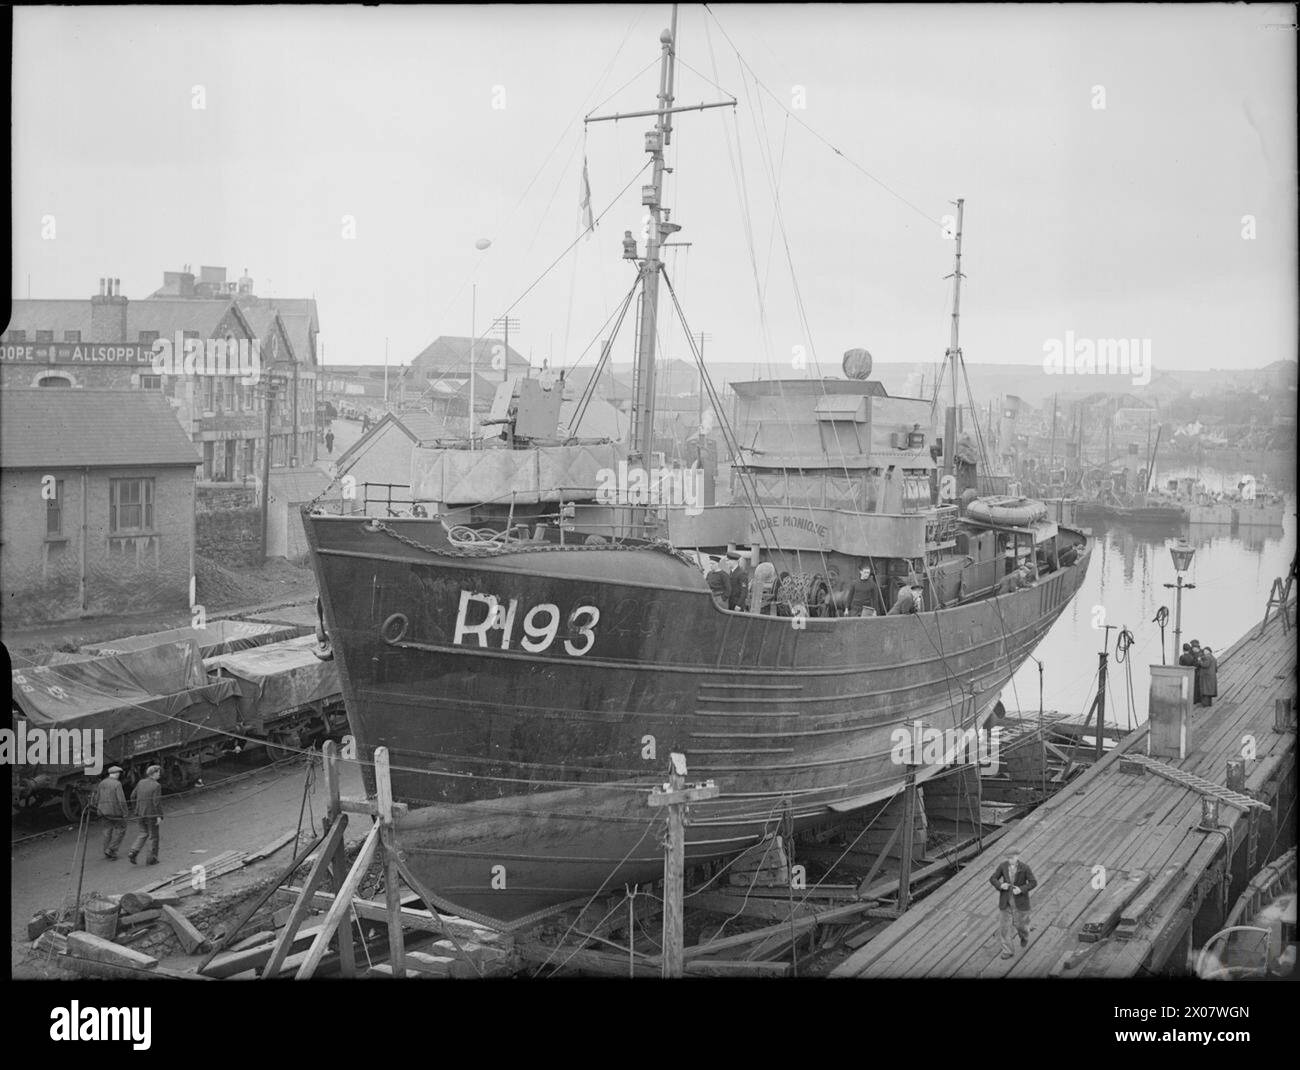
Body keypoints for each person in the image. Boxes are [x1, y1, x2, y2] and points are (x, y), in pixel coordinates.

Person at [989, 846, 1037, 959]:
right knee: (1004, 928)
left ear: (1017, 856)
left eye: (1012, 858)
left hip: (1020, 903)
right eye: (1008, 858)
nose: (1010, 860)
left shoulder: (1025, 868)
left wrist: (1021, 889)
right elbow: (993, 878)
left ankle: (1024, 936)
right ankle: (1008, 951)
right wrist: (1000, 885)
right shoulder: (1003, 866)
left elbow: (1033, 882)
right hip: (1005, 902)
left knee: (1021, 926)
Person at [128, 764, 164, 866]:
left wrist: (136, 808)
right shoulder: (156, 785)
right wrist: (159, 816)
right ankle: (151, 859)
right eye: (158, 773)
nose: (159, 775)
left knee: (143, 833)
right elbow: (156, 802)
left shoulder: (141, 782)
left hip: (140, 813)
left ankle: (133, 851)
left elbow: (132, 796)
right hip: (151, 815)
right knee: (153, 837)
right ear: (154, 773)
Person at [96, 766, 128, 860]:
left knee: (107, 832)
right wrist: (125, 812)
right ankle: (111, 849)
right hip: (115, 813)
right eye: (119, 773)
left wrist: (98, 809)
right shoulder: (117, 784)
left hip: (102, 812)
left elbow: (97, 797)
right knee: (121, 830)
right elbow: (121, 800)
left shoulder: (101, 783)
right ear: (117, 773)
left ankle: (106, 851)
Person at [1188, 640, 1203, 705]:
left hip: (1197, 671)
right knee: (1197, 686)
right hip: (1197, 671)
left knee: (1196, 686)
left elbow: (1197, 663)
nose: (1192, 648)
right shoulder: (1200, 652)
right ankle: (1198, 699)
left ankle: (1195, 699)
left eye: (1193, 646)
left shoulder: (1198, 654)